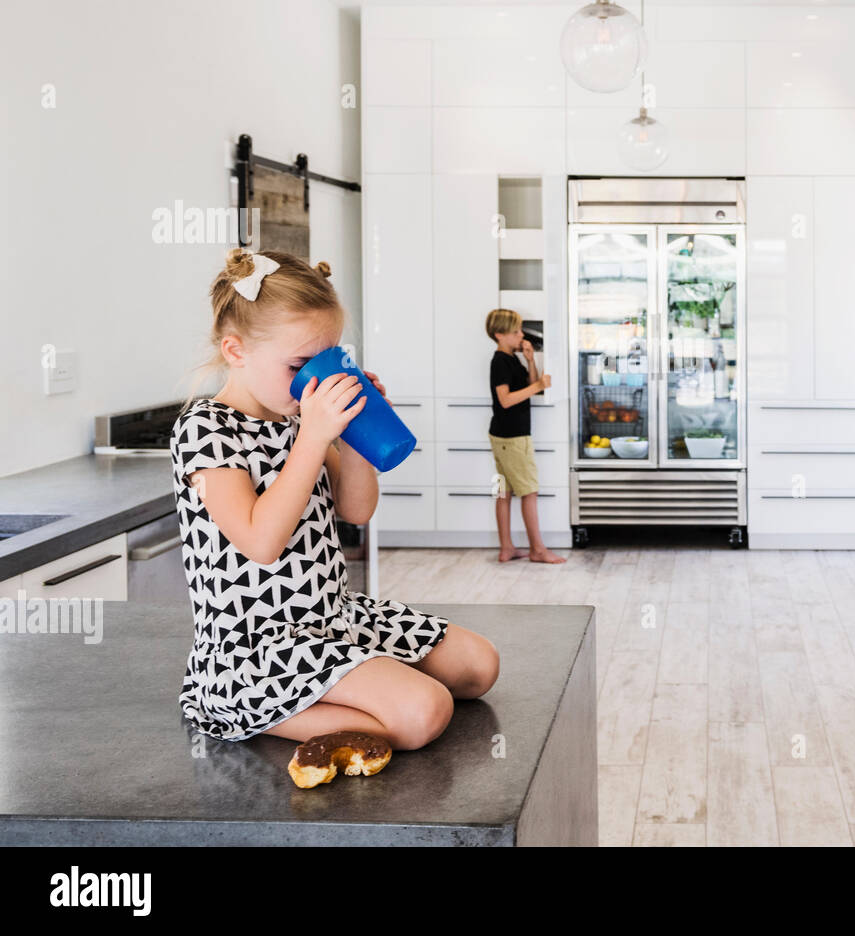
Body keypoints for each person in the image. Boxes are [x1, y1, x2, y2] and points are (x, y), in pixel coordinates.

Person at [170, 247, 499, 749]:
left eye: (327, 360)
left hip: (332, 617)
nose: (313, 380)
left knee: (479, 667)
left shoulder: (299, 415)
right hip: (257, 645)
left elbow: (357, 509)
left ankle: (337, 692)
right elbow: (260, 541)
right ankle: (231, 705)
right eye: (300, 364)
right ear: (236, 351)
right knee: (424, 712)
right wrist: (314, 436)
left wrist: (353, 433)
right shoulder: (207, 429)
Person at [485, 308, 566, 564]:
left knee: (503, 492)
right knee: (529, 492)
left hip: (502, 436)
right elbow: (506, 400)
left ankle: (506, 548)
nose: (521, 335)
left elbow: (527, 387)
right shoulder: (499, 361)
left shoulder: (512, 358)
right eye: (516, 331)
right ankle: (538, 550)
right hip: (512, 438)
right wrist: (538, 385)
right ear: (500, 335)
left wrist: (531, 361)